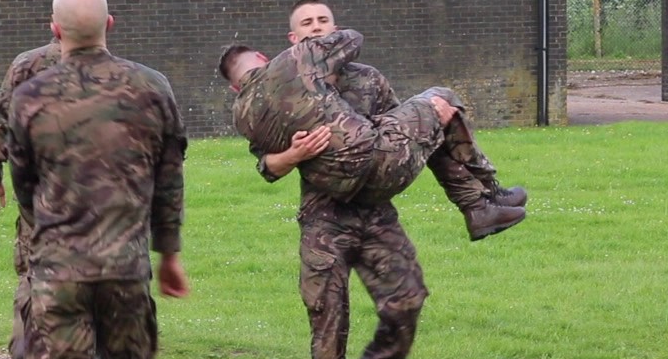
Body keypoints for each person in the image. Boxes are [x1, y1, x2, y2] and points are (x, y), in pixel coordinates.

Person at [242, 0, 528, 359]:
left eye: (323, 20)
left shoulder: (369, 80)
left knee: (407, 300)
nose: (317, 28)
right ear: (293, 39)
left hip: (376, 215)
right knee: (327, 319)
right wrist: (294, 153)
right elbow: (267, 167)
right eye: (307, 24)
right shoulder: (283, 96)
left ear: (334, 29)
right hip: (324, 218)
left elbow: (414, 138)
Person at [8, 0, 190, 359]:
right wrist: (169, 254)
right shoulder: (152, 88)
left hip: (58, 273)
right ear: (110, 26)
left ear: (54, 30)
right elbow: (170, 181)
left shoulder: (29, 97)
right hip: (126, 269)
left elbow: (24, 187)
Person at [219, 24, 526, 242]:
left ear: (234, 87)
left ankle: (480, 206)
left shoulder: (241, 116)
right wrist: (310, 48)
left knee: (428, 126)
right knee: (440, 99)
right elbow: (353, 39)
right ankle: (486, 195)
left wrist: (294, 153)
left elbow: (268, 167)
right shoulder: (294, 58)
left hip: (345, 192)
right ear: (261, 57)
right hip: (378, 160)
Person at [0, 38, 61, 359]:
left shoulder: (26, 65)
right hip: (96, 191)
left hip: (36, 189)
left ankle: (25, 344)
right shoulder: (112, 70)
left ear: (55, 25)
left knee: (34, 269)